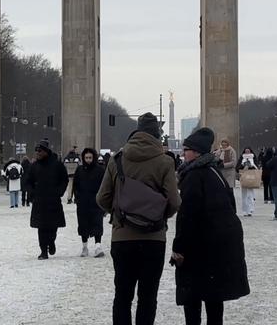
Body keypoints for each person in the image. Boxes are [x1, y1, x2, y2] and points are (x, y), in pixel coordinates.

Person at [95, 112, 180, 325]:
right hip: (154, 238)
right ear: (157, 134)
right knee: (147, 297)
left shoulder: (117, 160)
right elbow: (175, 201)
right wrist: (159, 216)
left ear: (136, 131)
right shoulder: (165, 162)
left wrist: (119, 214)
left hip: (122, 237)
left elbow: (102, 197)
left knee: (123, 295)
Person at [172, 127, 250, 325]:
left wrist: (179, 248)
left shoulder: (193, 176)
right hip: (219, 245)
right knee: (214, 298)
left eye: (186, 149)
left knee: (193, 296)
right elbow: (230, 205)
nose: (183, 153)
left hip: (200, 246)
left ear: (197, 152)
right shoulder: (214, 172)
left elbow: (187, 215)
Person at [24, 139, 69, 259]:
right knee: (41, 228)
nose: (37, 153)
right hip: (39, 201)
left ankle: (51, 242)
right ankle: (43, 251)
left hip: (53, 200)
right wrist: (32, 193)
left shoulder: (57, 165)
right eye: (36, 151)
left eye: (40, 151)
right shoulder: (34, 166)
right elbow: (28, 181)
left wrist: (59, 192)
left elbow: (64, 179)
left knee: (53, 226)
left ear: (46, 152)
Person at [72, 147, 107, 258]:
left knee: (98, 224)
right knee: (83, 225)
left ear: (94, 158)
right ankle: (84, 247)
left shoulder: (100, 170)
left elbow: (104, 186)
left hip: (96, 203)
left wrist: (103, 202)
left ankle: (97, 247)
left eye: (90, 157)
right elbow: (75, 185)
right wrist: (77, 198)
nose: (88, 160)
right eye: (86, 157)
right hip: (82, 203)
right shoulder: (79, 170)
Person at [234, 148, 259, 217]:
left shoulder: (254, 158)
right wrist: (242, 165)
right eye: (246, 151)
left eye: (248, 151)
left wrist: (252, 165)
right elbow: (237, 168)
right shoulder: (241, 158)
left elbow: (257, 168)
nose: (247, 153)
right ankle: (245, 210)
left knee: (250, 195)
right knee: (244, 195)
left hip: (251, 177)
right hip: (243, 177)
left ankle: (250, 209)